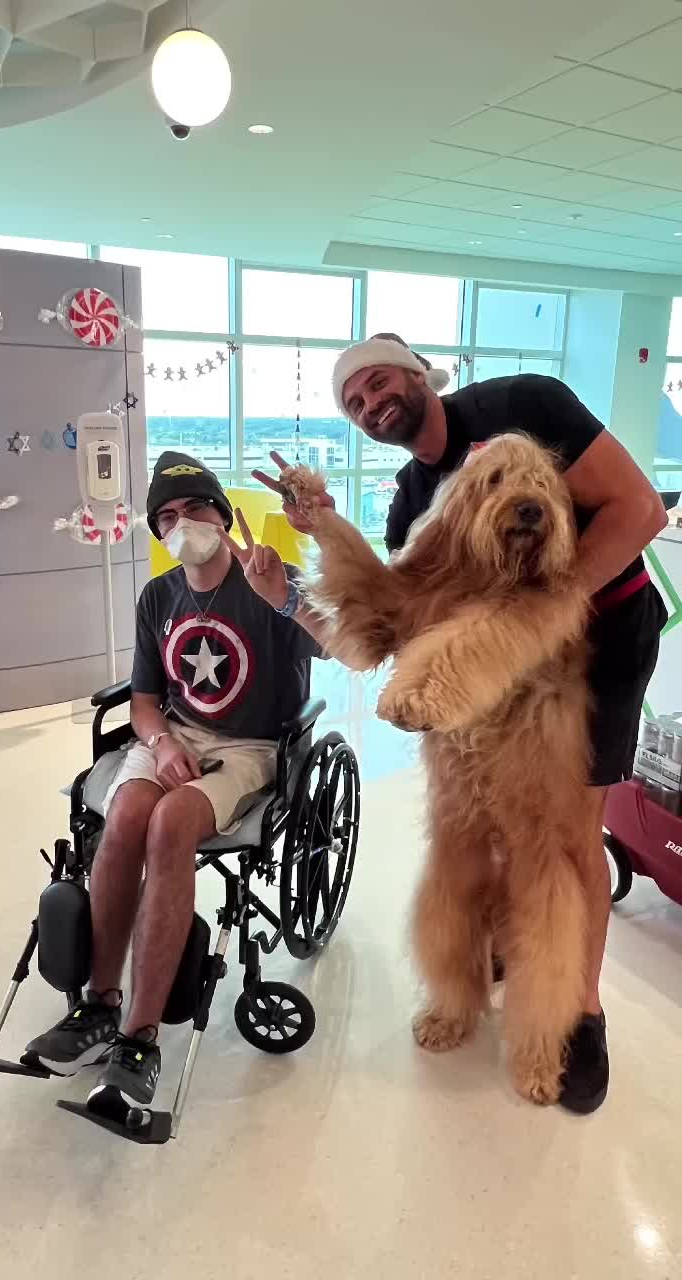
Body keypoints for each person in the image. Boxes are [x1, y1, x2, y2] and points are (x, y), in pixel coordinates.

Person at [254, 335, 668, 1115]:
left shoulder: (528, 405)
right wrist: (325, 532)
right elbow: (387, 614)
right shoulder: (415, 500)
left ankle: (573, 1023)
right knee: (460, 843)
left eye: (380, 383)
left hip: (594, 652)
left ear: (418, 375)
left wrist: (544, 609)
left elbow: (641, 509)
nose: (374, 403)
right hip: (481, 702)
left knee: (561, 849)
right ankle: (459, 990)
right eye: (356, 402)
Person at [24, 452, 328, 1107]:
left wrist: (287, 598)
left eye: (193, 509)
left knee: (170, 825)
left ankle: (141, 1035)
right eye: (165, 516)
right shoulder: (159, 596)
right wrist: (160, 742)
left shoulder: (270, 579)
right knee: (125, 815)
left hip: (250, 746)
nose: (181, 523)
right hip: (175, 735)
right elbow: (142, 699)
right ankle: (100, 1003)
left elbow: (340, 643)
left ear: (222, 515)